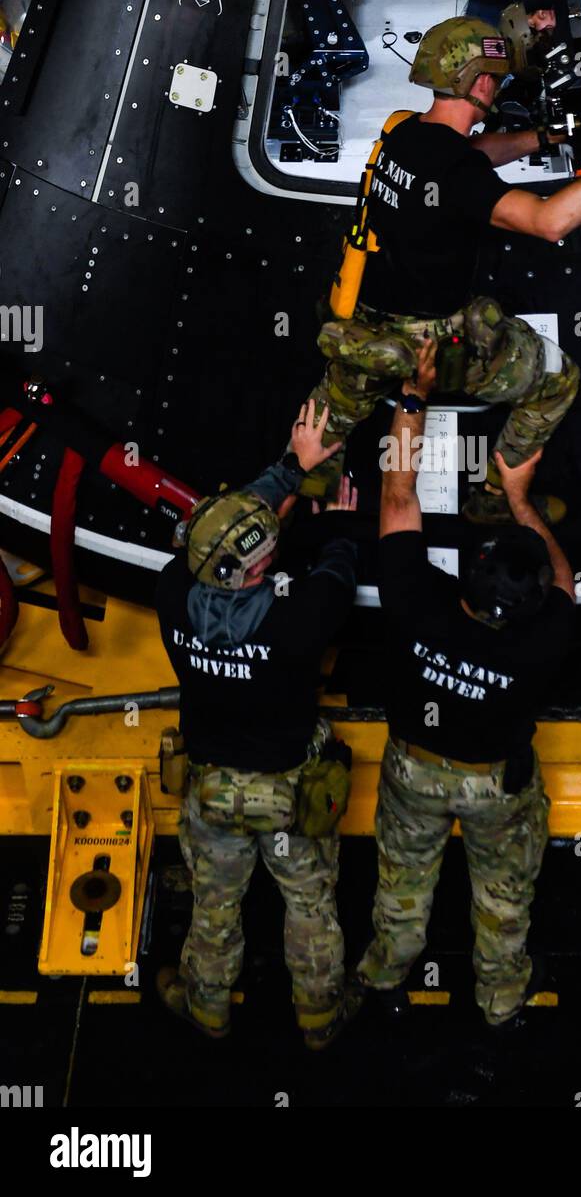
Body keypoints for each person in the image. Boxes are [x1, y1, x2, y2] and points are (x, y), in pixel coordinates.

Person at [291, 16, 581, 524]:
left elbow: (473, 154)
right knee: (558, 380)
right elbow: (550, 222)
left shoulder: (402, 132)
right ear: (481, 82)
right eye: (496, 76)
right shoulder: (457, 175)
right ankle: (493, 500)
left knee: (328, 415)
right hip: (431, 340)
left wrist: (544, 138)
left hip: (361, 316)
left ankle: (306, 488)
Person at [355, 342, 576, 1028]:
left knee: (401, 882)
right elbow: (567, 582)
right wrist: (519, 498)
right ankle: (500, 999)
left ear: (469, 576)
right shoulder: (543, 641)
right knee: (504, 896)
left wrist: (414, 398)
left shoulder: (416, 598)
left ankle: (385, 975)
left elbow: (398, 492)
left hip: (414, 772)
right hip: (496, 789)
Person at [154, 403, 362, 1050]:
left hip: (212, 793)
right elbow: (339, 566)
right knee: (310, 905)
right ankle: (320, 1015)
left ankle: (206, 1005)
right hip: (290, 795)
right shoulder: (299, 619)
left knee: (214, 905)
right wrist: (340, 523)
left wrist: (288, 471)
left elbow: (226, 529)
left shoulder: (170, 594)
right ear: (261, 570)